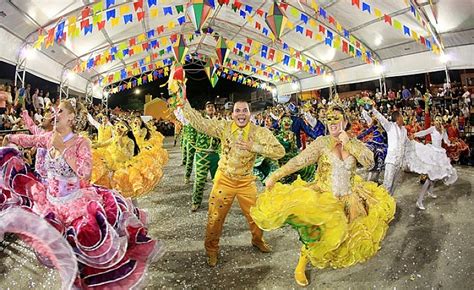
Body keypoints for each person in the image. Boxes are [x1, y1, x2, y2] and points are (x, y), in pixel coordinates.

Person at [2, 99, 162, 288]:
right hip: (51, 205)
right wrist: (10, 139)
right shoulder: (49, 138)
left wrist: (63, 149)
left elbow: (85, 172)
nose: (55, 114)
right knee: (63, 253)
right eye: (55, 111)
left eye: (60, 111)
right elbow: (30, 139)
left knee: (83, 255)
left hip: (76, 208)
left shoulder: (80, 142)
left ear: (71, 117)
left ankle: (82, 283)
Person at [251, 104, 395, 286]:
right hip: (324, 197)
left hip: (349, 198)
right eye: (329, 119)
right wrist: (276, 175)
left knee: (344, 235)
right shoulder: (321, 143)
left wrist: (348, 143)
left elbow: (369, 162)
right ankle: (301, 265)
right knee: (313, 234)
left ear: (345, 121)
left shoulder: (355, 143)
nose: (333, 123)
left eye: (337, 119)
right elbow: (298, 161)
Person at [182, 99, 285, 267]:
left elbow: (280, 151)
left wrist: (255, 147)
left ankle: (257, 240)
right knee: (215, 218)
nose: (241, 114)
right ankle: (211, 250)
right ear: (233, 114)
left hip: (246, 181)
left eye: (244, 110)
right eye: (238, 111)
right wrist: (184, 103)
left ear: (250, 114)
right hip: (224, 180)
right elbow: (200, 123)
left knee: (256, 216)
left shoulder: (260, 132)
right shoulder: (224, 127)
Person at [408, 116, 458, 210]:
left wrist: (452, 144)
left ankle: (430, 191)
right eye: (436, 120)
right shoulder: (432, 129)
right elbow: (424, 132)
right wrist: (414, 135)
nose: (437, 122)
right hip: (432, 154)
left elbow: (446, 141)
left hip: (440, 155)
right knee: (430, 177)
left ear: (441, 122)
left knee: (436, 175)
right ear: (434, 122)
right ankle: (419, 201)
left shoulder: (443, 131)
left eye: (439, 120)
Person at [371, 105, 409, 195]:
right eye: (401, 116)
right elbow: (381, 118)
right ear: (397, 118)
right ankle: (382, 204)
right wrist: (372, 109)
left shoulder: (404, 130)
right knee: (387, 184)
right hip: (391, 160)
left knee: (394, 184)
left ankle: (390, 203)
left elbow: (406, 143)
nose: (403, 118)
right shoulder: (390, 126)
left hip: (399, 162)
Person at [191, 101, 221, 212]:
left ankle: (217, 202)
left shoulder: (219, 121)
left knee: (217, 180)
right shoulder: (200, 120)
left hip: (215, 154)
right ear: (205, 109)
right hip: (201, 154)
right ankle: (196, 202)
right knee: (200, 179)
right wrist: (197, 146)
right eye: (208, 106)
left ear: (215, 109)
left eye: (212, 106)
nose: (210, 108)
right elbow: (191, 134)